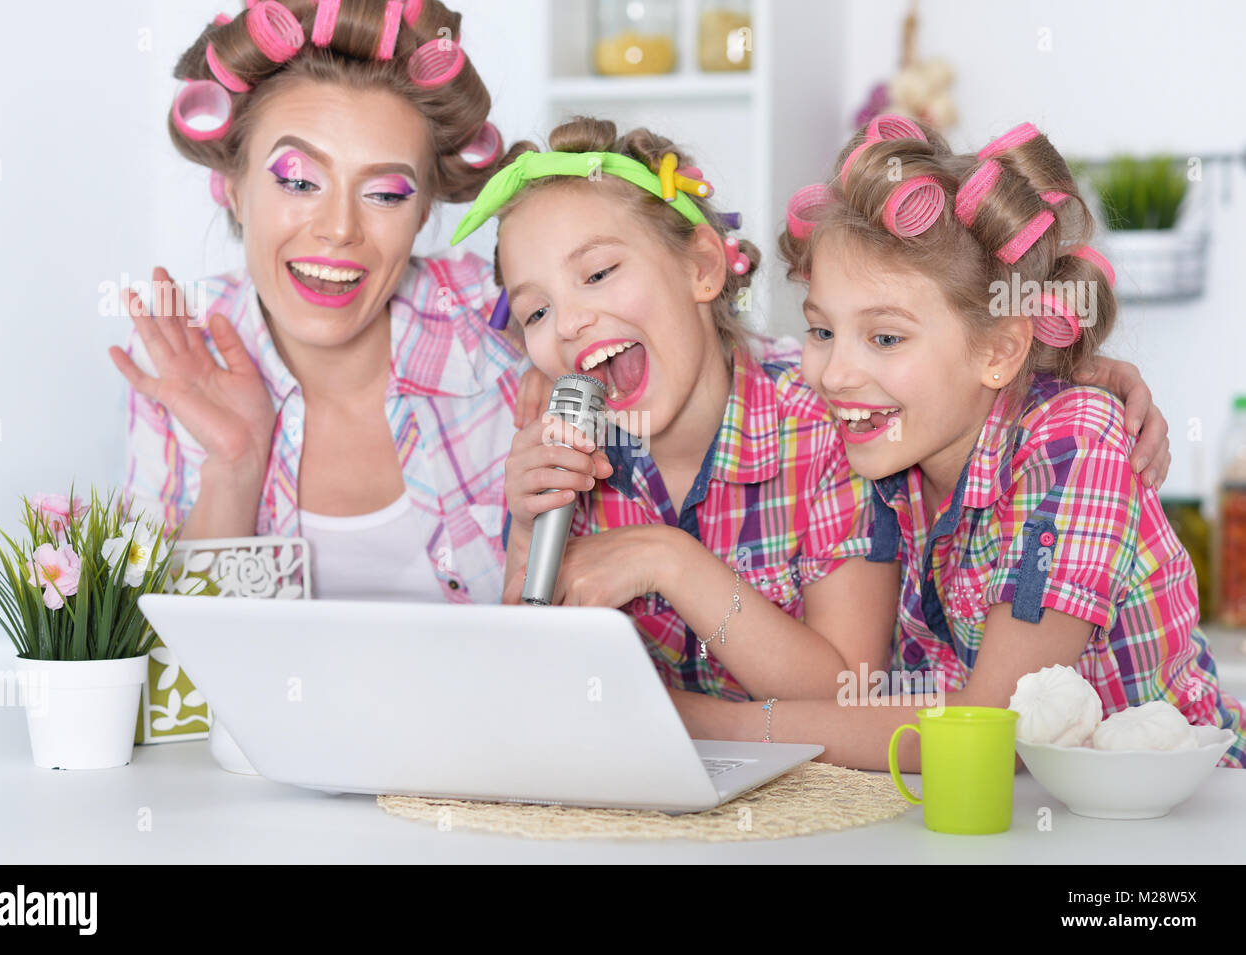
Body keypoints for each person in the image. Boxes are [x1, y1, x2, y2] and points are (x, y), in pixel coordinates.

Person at [465, 116, 1171, 709]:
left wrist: (669, 578)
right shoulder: (565, 433)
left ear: (703, 267)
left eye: (597, 274)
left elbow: (880, 700)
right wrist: (530, 531)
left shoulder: (830, 423)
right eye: (536, 312)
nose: (569, 323)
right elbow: (527, 694)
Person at [673, 116, 1244, 768]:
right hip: (1018, 813)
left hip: (1190, 810)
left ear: (999, 351)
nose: (834, 375)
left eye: (885, 338)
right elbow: (739, 377)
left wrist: (704, 723)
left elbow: (993, 726)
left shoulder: (1073, 444)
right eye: (822, 331)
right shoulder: (890, 437)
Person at [109, 0, 544, 602]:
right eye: (298, 181)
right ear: (234, 189)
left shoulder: (507, 324)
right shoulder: (181, 353)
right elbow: (158, 652)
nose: (339, 229)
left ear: (424, 210)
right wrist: (234, 466)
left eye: (385, 194)